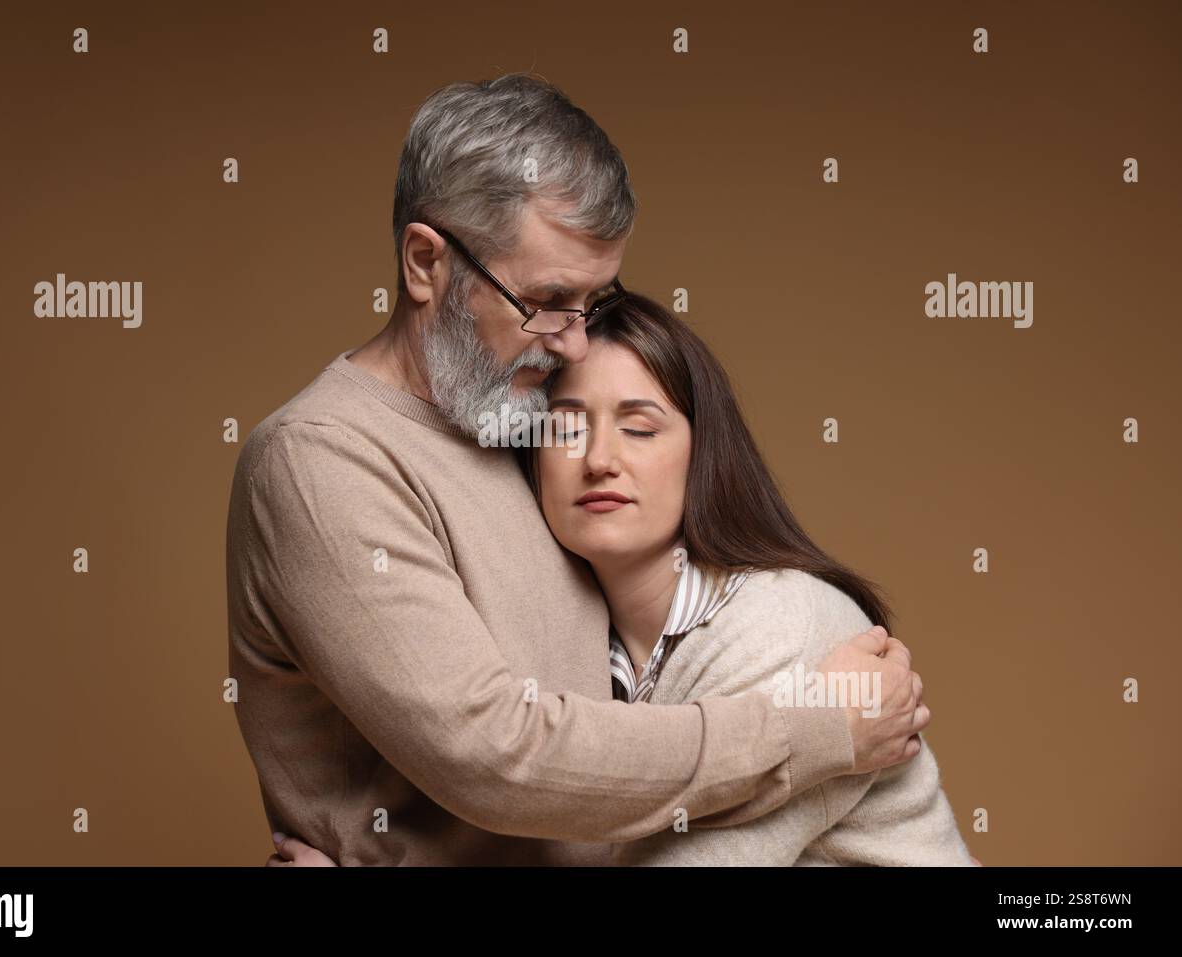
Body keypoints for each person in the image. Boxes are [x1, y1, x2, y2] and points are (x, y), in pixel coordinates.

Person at [228, 73, 929, 867]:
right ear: (425, 263)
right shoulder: (320, 460)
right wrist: (813, 729)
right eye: (549, 299)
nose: (574, 342)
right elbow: (498, 755)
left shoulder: (515, 414)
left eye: (593, 301)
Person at [270, 293, 973, 866]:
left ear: (703, 453)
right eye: (566, 429)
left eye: (640, 428)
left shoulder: (789, 627)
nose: (600, 459)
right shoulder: (575, 656)